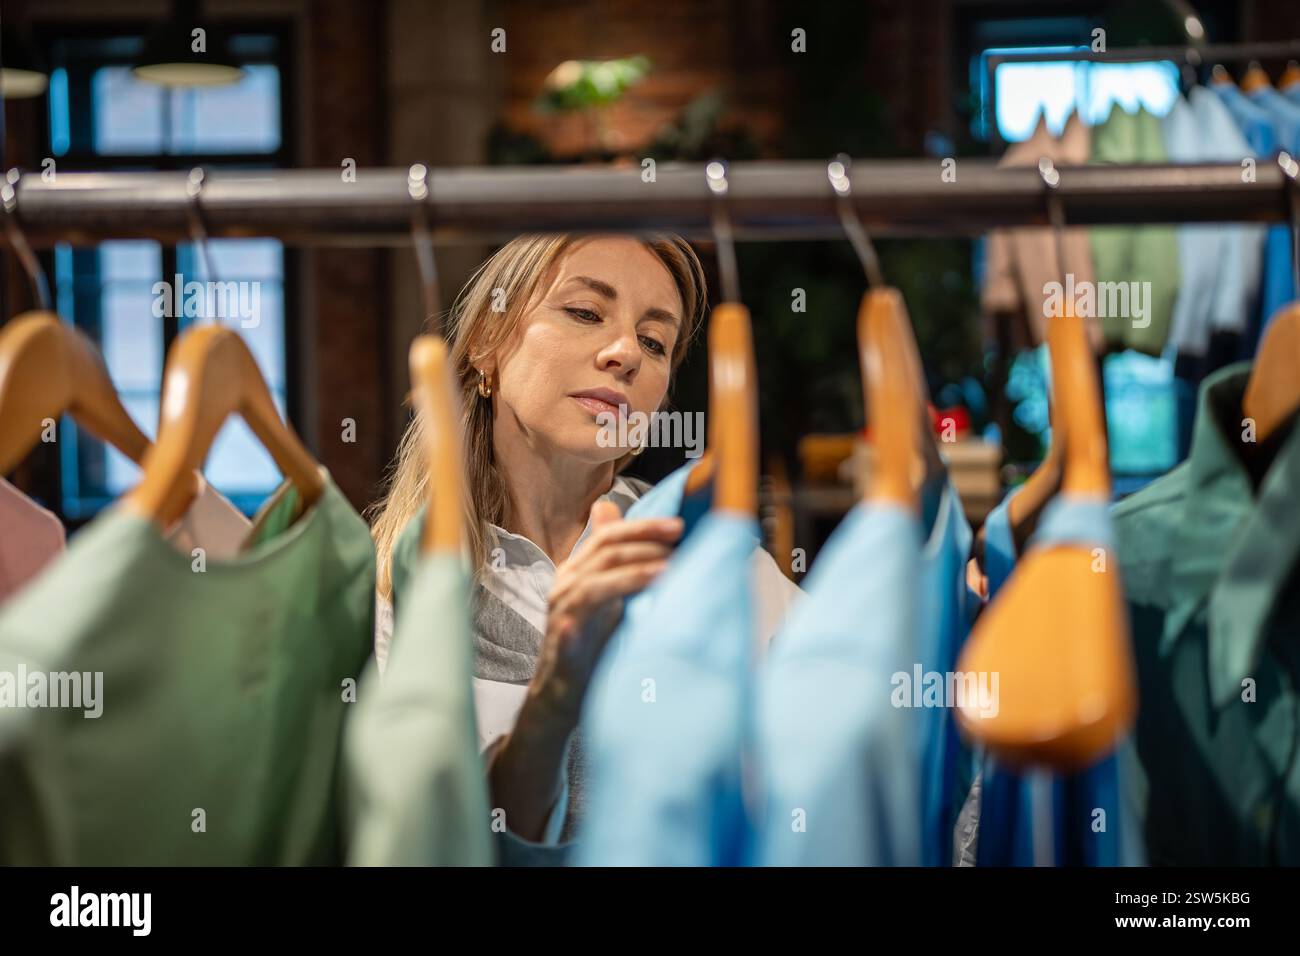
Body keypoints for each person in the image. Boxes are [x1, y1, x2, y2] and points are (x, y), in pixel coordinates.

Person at [369, 233, 802, 862]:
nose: (625, 353)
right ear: (488, 342)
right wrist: (556, 690)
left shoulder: (703, 558)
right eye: (584, 312)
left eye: (654, 342)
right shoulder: (396, 590)